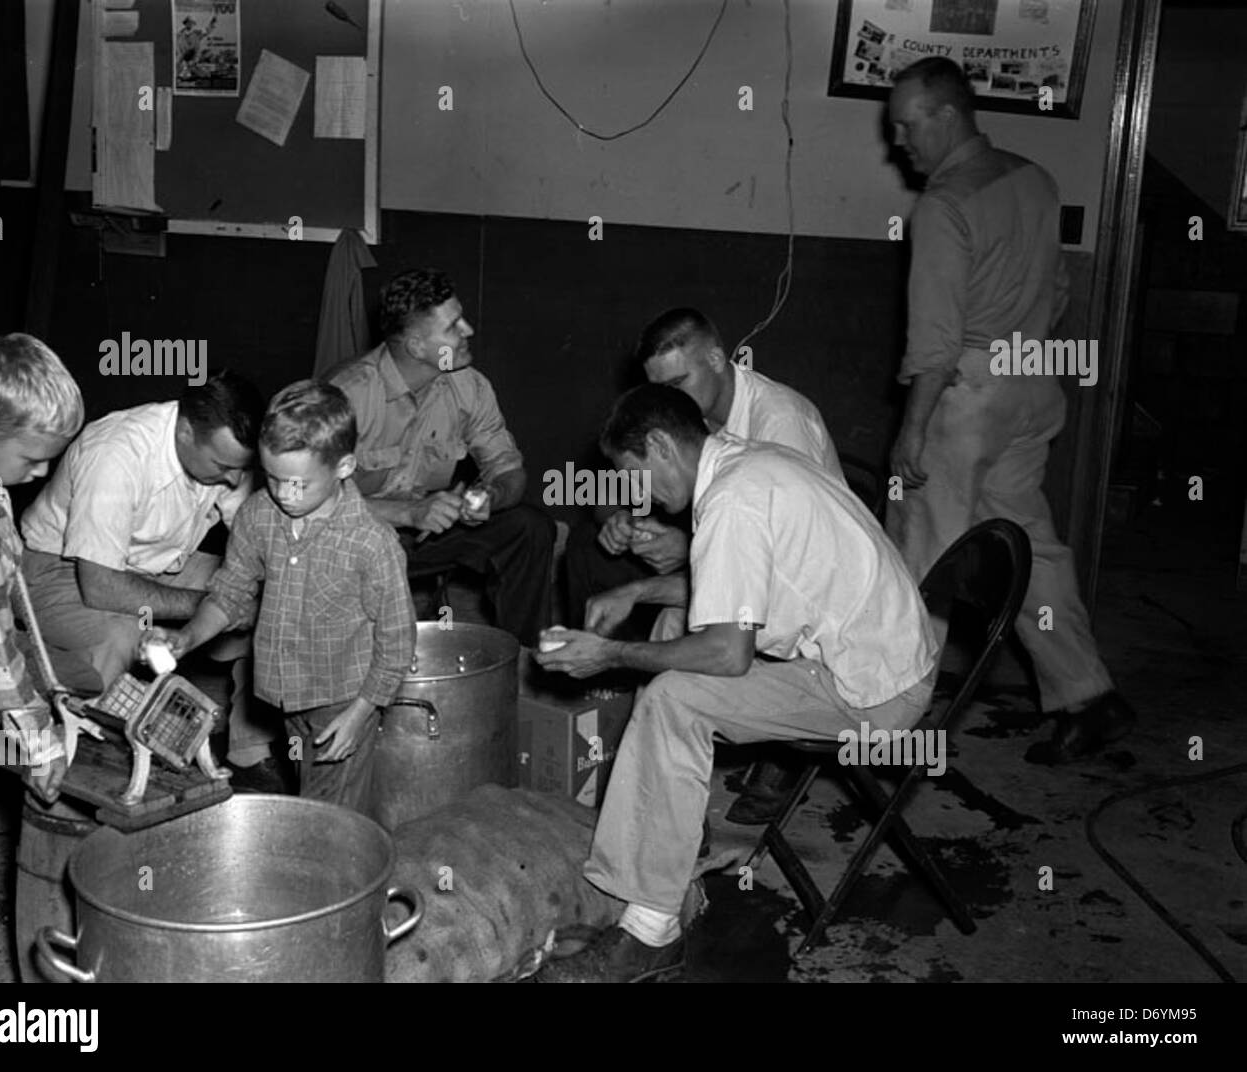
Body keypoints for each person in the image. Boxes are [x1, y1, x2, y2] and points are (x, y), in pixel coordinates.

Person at [537, 384, 937, 982]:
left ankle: (650, 932)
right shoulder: (748, 462)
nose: (637, 496)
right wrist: (639, 590)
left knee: (676, 698)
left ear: (659, 446)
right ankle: (662, 859)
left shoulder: (732, 500)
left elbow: (727, 653)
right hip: (888, 654)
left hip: (873, 693)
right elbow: (748, 594)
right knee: (675, 650)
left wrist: (609, 654)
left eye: (633, 475)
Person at [884, 57, 1133, 764]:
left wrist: (913, 426)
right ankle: (1087, 695)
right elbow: (1056, 289)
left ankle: (892, 720)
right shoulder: (1034, 179)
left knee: (919, 558)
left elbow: (933, 338)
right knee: (1032, 551)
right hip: (1032, 378)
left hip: (966, 399)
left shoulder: (943, 203)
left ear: (946, 115)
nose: (899, 140)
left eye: (906, 124)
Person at [146, 382, 415, 819]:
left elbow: (397, 638)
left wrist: (363, 711)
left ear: (344, 466)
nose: (282, 494)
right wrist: (188, 636)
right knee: (309, 794)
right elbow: (230, 591)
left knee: (331, 818)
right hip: (286, 695)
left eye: (297, 484)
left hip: (344, 698)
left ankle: (342, 877)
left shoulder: (371, 543)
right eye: (271, 477)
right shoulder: (257, 516)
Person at [19, 371, 283, 788]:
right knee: (122, 634)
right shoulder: (117, 453)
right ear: (184, 431)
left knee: (268, 598)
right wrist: (214, 606)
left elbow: (256, 543)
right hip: (60, 568)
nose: (234, 480)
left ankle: (249, 753)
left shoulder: (225, 455)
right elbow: (101, 585)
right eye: (223, 466)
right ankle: (101, 763)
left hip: (156, 561)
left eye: (242, 468)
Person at [565, 307, 844, 625]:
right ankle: (589, 661)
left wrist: (689, 549)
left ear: (715, 359)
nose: (667, 398)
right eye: (659, 390)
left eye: (678, 382)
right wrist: (617, 519)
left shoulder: (779, 420)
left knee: (675, 620)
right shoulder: (684, 417)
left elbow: (789, 556)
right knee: (586, 547)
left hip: (792, 591)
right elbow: (607, 492)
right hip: (716, 547)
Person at [0, 334, 84, 981]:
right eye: (33, 460)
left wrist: (49, 688)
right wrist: (39, 745)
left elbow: (14, 610)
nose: (40, 476)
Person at [326, 268, 554, 646]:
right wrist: (406, 513)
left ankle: (520, 663)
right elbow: (310, 505)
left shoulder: (469, 386)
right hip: (356, 539)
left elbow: (509, 470)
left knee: (528, 527)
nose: (468, 330)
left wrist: (491, 496)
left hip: (429, 532)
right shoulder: (346, 396)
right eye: (452, 327)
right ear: (416, 347)